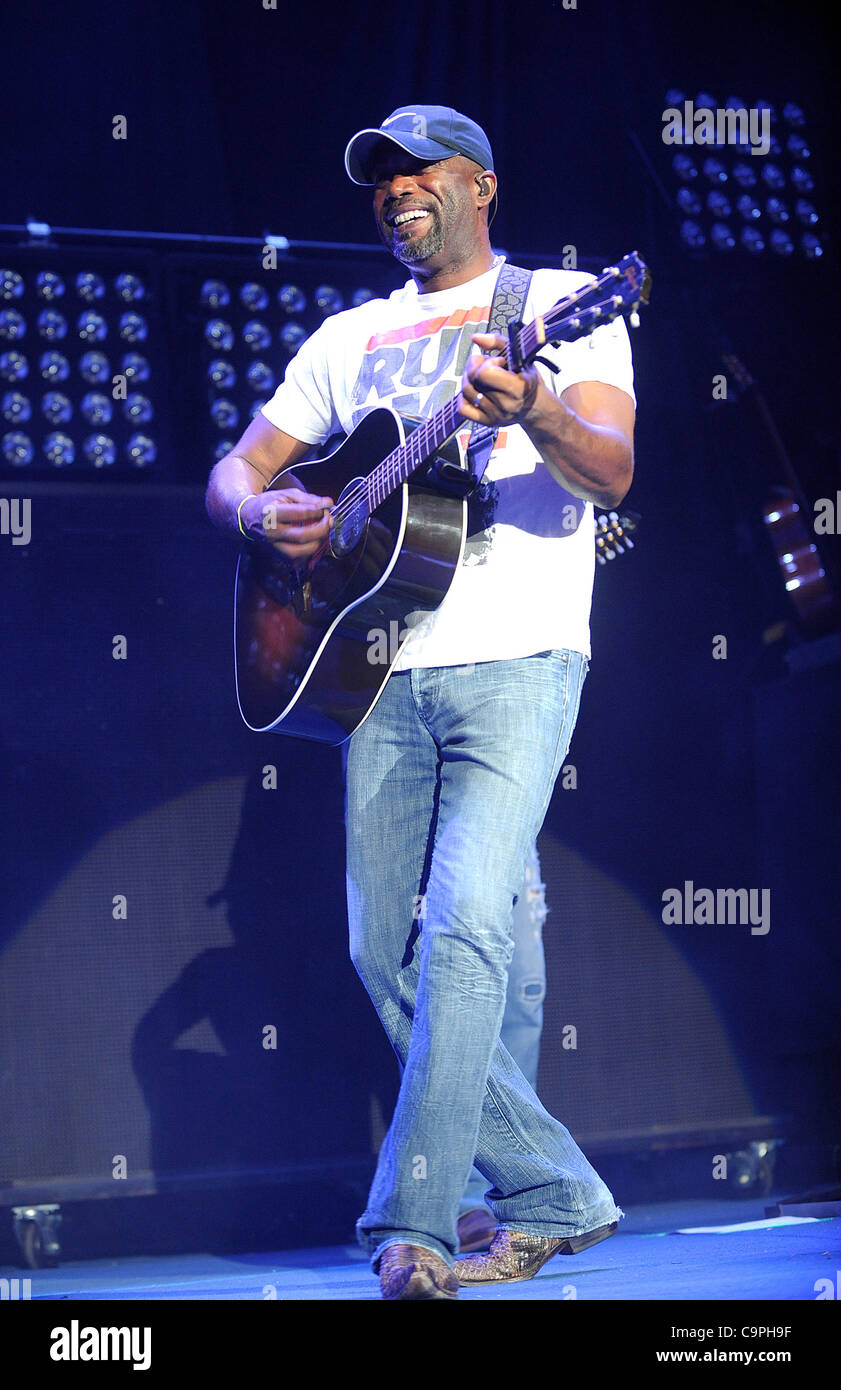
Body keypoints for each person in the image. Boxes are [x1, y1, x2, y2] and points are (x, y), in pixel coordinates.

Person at [206, 104, 635, 1300]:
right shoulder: (351, 335)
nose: (397, 191)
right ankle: (553, 1193)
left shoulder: (563, 299)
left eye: (420, 173)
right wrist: (259, 512)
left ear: (481, 184)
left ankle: (413, 1228)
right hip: (377, 667)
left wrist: (537, 408)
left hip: (519, 655)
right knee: (374, 944)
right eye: (380, 180)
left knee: (463, 929)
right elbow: (238, 466)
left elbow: (611, 466)